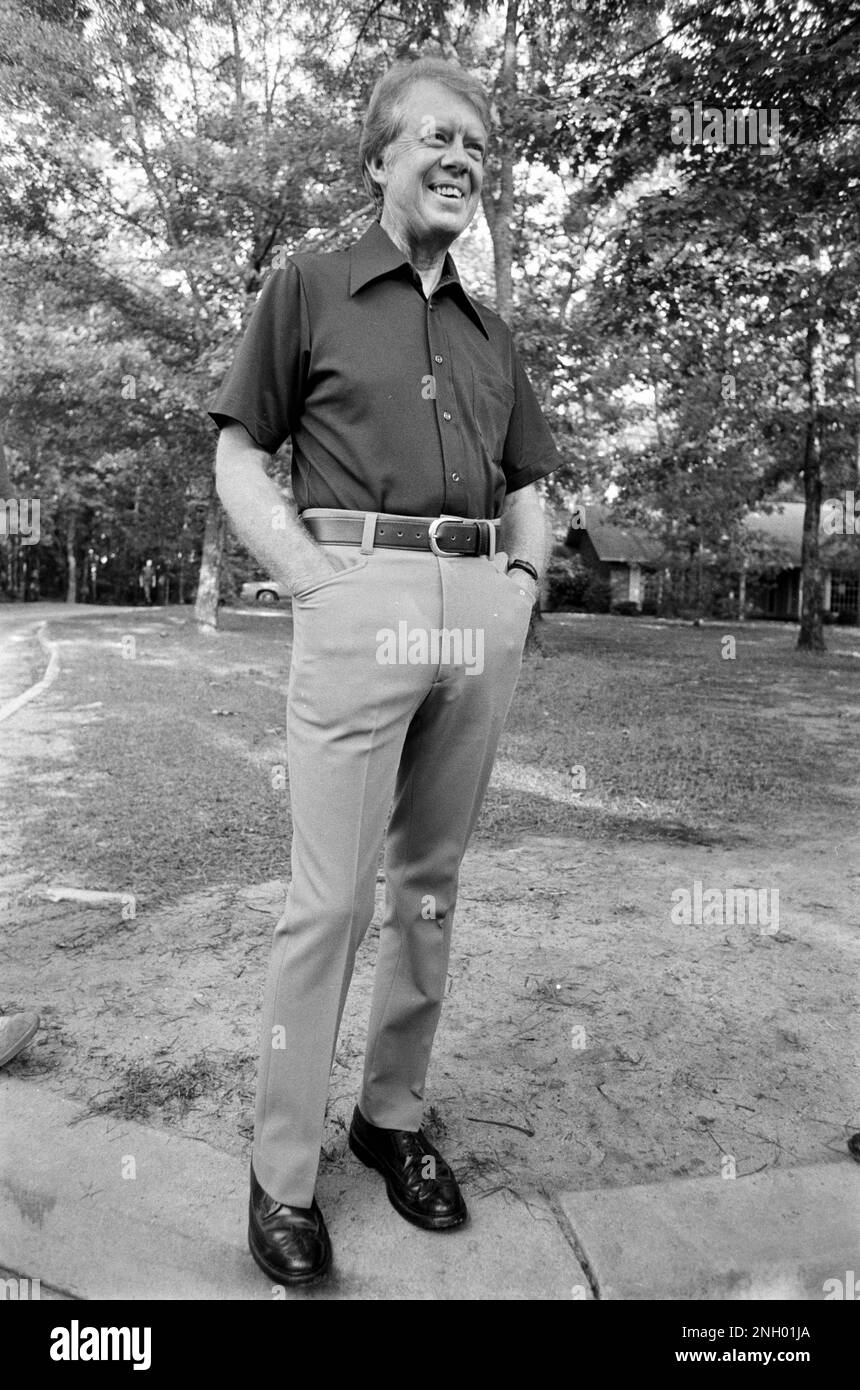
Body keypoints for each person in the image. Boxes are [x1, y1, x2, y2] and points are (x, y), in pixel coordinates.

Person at [210, 54, 560, 1286]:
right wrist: (308, 576)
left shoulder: (487, 329)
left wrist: (517, 587)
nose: (462, 157)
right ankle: (281, 1169)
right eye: (436, 136)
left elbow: (530, 485)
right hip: (354, 589)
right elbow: (244, 451)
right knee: (330, 899)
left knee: (429, 884)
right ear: (378, 159)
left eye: (478, 143)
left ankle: (391, 1118)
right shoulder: (305, 284)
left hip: (478, 608)